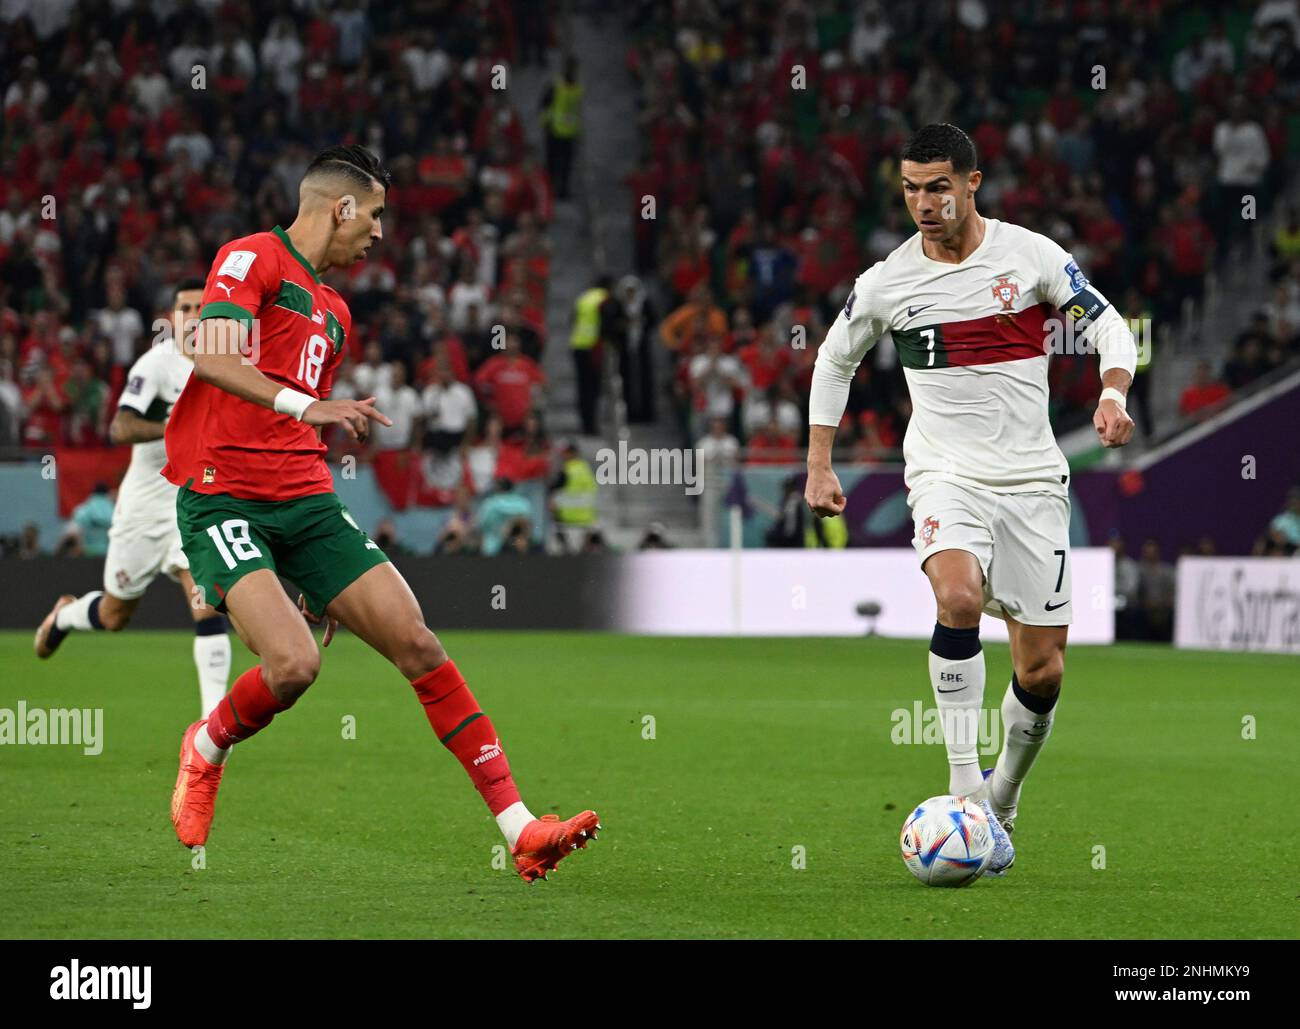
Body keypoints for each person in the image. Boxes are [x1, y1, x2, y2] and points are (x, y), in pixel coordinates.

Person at [164, 144, 598, 882]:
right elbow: (211, 358)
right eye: (374, 215)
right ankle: (206, 747)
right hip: (221, 493)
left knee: (419, 643)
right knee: (295, 666)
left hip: (305, 502)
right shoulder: (249, 258)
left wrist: (311, 568)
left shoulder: (335, 313)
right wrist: (312, 404)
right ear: (339, 207)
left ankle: (521, 827)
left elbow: (290, 435)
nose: (379, 233)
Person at [804, 124, 1137, 875]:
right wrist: (819, 464)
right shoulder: (888, 280)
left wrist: (1112, 392)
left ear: (972, 183)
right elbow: (833, 358)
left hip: (1031, 480)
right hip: (944, 472)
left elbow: (1111, 324)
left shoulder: (1030, 257)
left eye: (937, 187)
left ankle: (1002, 798)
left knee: (1043, 669)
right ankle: (962, 792)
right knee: (956, 595)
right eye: (910, 189)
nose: (922, 203)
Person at [34, 281, 232, 716]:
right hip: (143, 509)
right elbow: (119, 429)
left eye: (204, 306)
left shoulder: (229, 364)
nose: (195, 314)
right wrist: (177, 431)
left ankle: (213, 730)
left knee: (207, 602)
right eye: (186, 308)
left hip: (193, 504)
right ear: (173, 319)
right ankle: (67, 615)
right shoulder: (156, 365)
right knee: (114, 616)